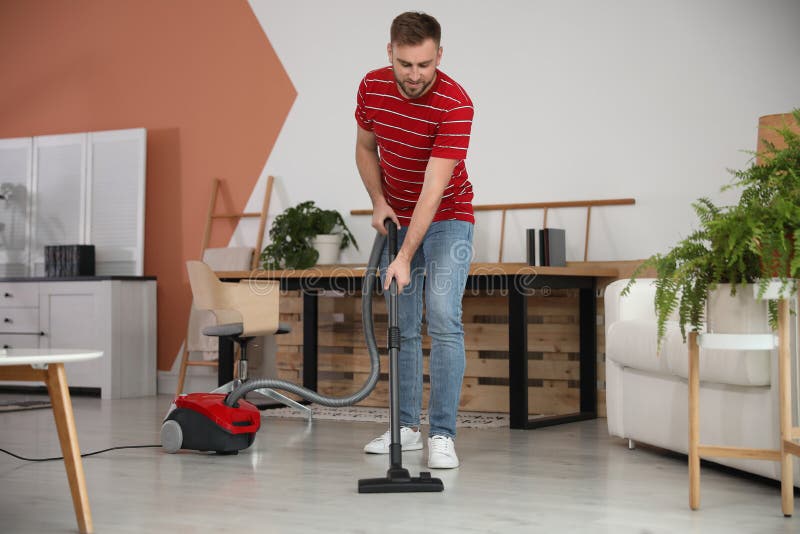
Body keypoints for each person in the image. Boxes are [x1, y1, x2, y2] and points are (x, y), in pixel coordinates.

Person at [354, 11, 474, 469]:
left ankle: (442, 434)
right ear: (390, 53)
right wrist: (378, 201)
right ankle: (405, 428)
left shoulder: (455, 104)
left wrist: (404, 253)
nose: (414, 75)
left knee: (443, 317)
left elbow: (433, 190)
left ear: (439, 56)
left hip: (447, 216)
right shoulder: (371, 87)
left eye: (424, 64)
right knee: (401, 324)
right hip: (397, 215)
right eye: (406, 63)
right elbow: (365, 148)